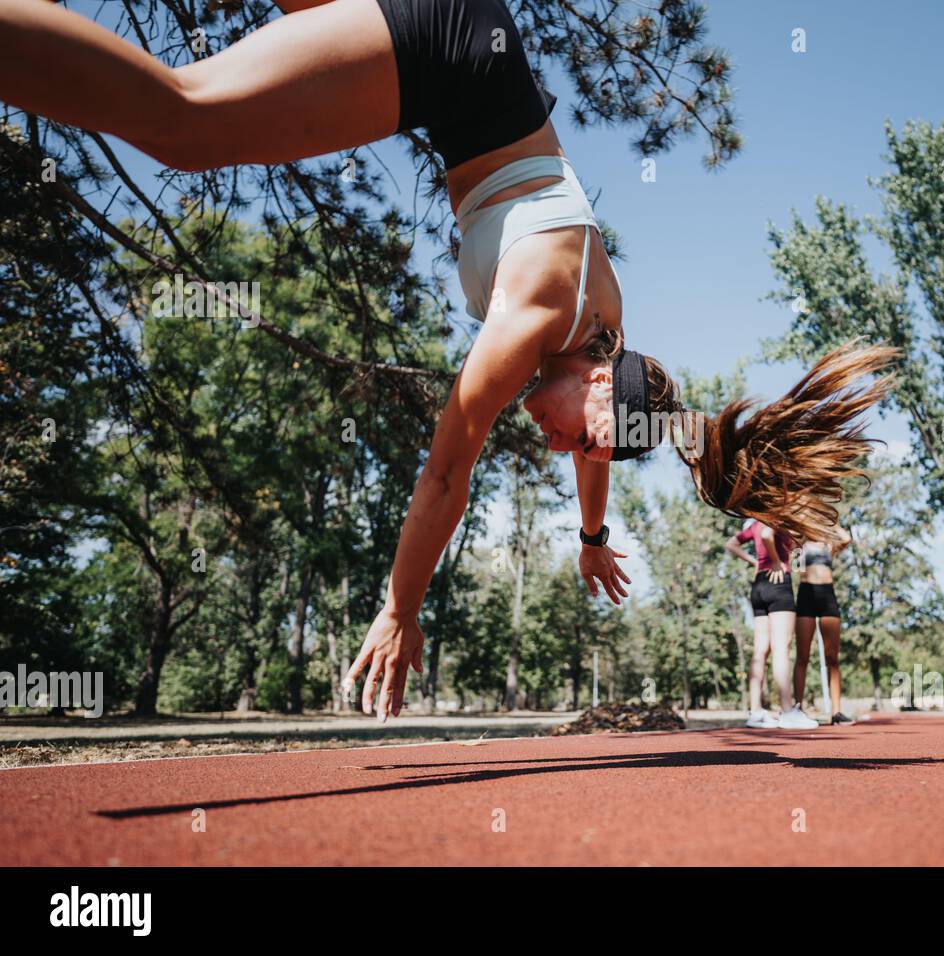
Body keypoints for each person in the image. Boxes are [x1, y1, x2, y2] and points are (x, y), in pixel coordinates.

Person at [1, 0, 896, 720]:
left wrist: (593, 538)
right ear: (595, 377)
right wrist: (400, 607)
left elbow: (602, 444)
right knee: (185, 123)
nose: (554, 448)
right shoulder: (540, 315)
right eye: (573, 437)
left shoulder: (606, 344)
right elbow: (443, 477)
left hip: (457, 58)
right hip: (444, 42)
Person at [727, 520, 819, 729]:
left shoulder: (754, 524)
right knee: (781, 647)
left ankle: (756, 712)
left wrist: (755, 562)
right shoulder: (774, 518)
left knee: (760, 651)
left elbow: (731, 544)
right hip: (777, 583)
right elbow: (769, 534)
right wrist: (776, 561)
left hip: (759, 585)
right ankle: (787, 711)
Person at [793, 527, 854, 724]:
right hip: (806, 594)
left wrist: (829, 523)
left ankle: (836, 712)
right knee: (802, 656)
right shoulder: (799, 545)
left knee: (832, 658)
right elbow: (795, 567)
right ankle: (797, 708)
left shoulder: (829, 545)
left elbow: (846, 538)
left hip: (827, 596)